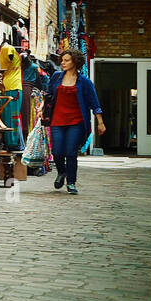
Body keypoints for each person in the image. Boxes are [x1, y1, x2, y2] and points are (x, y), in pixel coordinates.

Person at [41, 48, 105, 195]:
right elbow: (49, 95)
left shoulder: (85, 82)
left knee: (70, 153)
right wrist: (42, 108)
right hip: (57, 120)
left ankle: (71, 182)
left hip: (76, 122)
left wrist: (100, 122)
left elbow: (94, 103)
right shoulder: (57, 77)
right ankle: (61, 172)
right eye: (62, 60)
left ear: (75, 62)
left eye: (66, 60)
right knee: (56, 152)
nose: (62, 63)